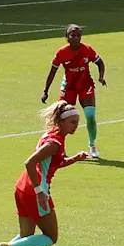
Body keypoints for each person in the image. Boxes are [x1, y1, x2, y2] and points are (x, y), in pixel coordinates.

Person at [0, 101, 89, 246]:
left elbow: (54, 162)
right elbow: (30, 163)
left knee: (26, 234)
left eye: (77, 121)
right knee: (50, 237)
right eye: (73, 122)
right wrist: (40, 192)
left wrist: (74, 159)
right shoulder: (54, 142)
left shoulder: (53, 136)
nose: (76, 125)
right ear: (62, 121)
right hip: (35, 191)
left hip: (22, 188)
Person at [42, 24, 106, 158]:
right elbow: (53, 71)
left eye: (78, 36)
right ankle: (60, 148)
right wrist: (46, 90)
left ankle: (92, 145)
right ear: (67, 38)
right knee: (61, 118)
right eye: (72, 35)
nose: (76, 38)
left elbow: (100, 62)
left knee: (90, 115)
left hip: (85, 85)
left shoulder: (87, 50)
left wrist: (101, 76)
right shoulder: (61, 53)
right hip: (69, 87)